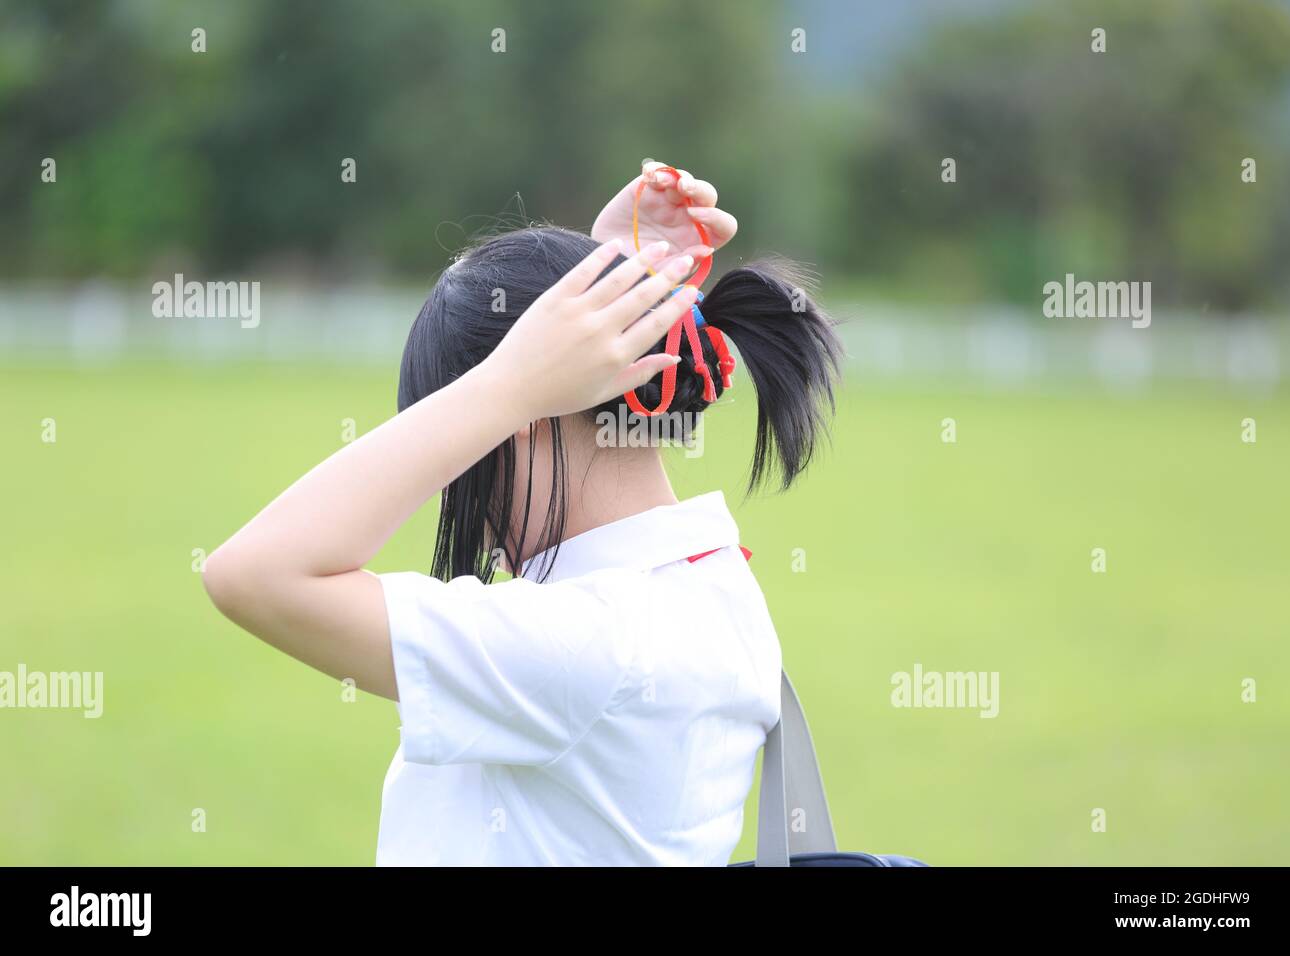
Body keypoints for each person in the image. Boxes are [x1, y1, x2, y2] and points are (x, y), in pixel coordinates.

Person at [202, 161, 842, 865]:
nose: (457, 495)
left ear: (527, 415)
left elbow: (251, 574)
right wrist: (602, 293)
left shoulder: (593, 642)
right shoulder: (703, 589)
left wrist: (507, 387)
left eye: (459, 443)